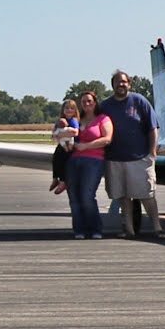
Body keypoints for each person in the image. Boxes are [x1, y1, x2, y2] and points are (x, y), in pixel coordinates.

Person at [99, 69, 164, 238]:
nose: (121, 85)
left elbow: (153, 127)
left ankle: (157, 227)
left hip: (139, 158)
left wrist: (152, 152)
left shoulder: (140, 101)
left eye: (124, 82)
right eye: (117, 82)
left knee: (147, 195)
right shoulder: (105, 106)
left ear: (129, 84)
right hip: (115, 159)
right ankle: (129, 229)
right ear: (112, 85)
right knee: (123, 197)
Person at [66, 90, 111, 239]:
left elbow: (107, 139)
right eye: (84, 101)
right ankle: (79, 230)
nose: (86, 104)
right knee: (74, 197)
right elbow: (62, 132)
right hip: (73, 161)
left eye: (89, 101)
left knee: (87, 195)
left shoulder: (102, 119)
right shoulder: (77, 120)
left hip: (94, 160)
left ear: (95, 102)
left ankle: (95, 229)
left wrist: (86, 146)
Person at [48, 97, 79, 196]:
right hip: (61, 144)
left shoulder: (74, 120)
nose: (69, 110)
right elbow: (54, 133)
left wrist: (60, 135)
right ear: (63, 110)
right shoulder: (60, 121)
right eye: (67, 108)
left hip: (70, 144)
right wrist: (56, 135)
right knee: (56, 158)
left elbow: (75, 132)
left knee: (63, 159)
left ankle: (63, 181)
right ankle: (55, 178)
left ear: (75, 110)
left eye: (71, 108)